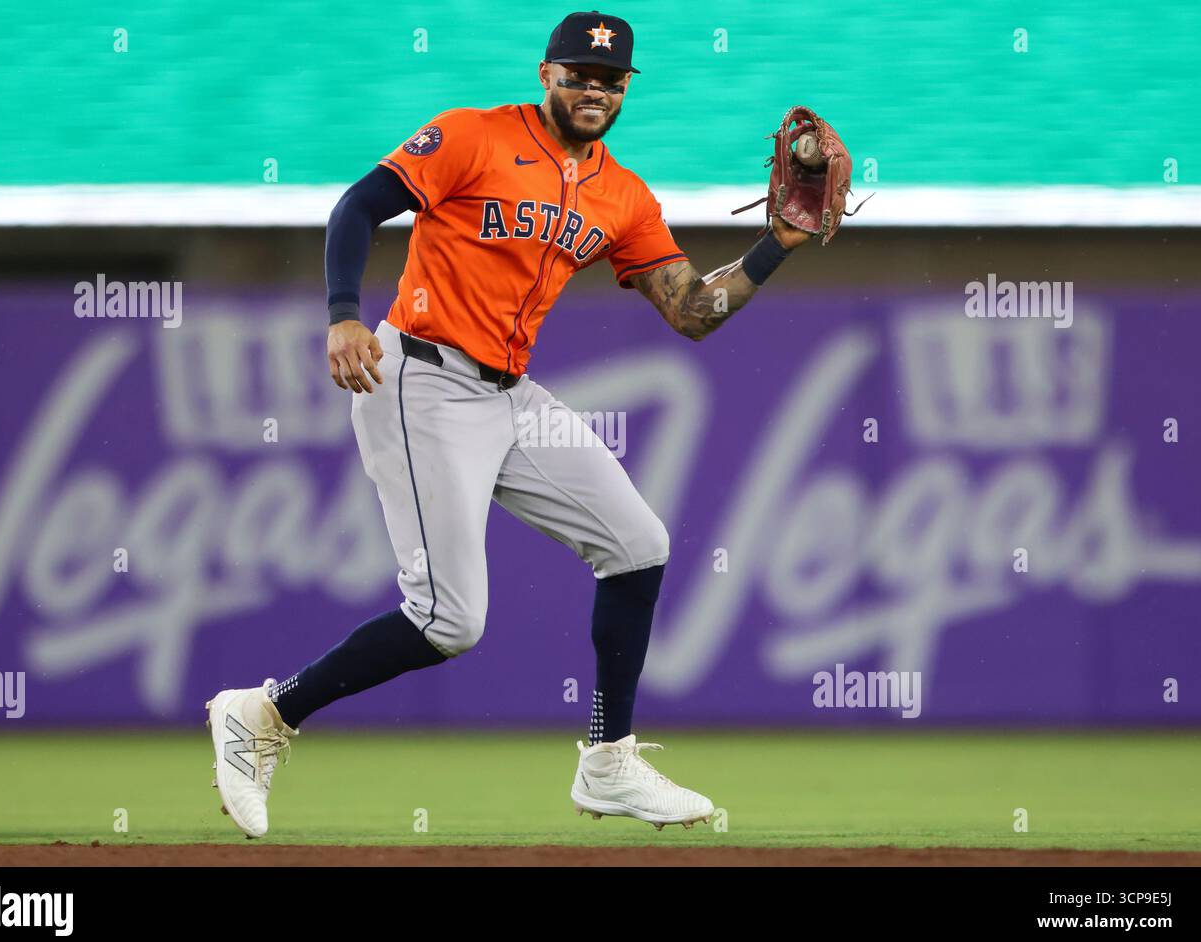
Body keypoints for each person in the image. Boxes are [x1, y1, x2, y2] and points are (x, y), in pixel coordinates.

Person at [206, 10, 812, 838]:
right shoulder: (472, 137)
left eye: (609, 80)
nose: (593, 89)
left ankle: (607, 763)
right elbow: (356, 208)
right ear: (546, 75)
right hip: (417, 377)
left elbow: (695, 311)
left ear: (625, 89)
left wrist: (775, 244)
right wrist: (344, 315)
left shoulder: (622, 194)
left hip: (509, 395)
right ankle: (264, 715)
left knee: (639, 546)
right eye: (578, 74)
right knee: (450, 621)